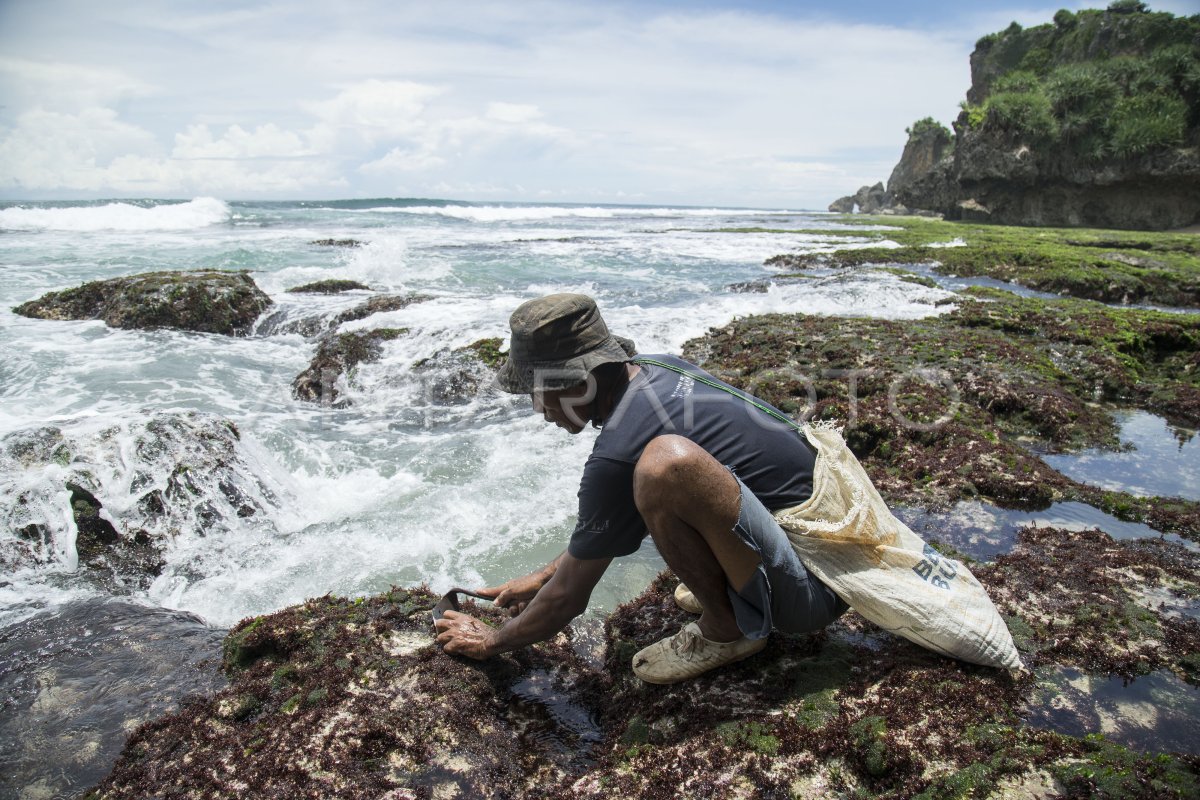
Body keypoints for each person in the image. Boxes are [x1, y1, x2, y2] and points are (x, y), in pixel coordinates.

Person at [433, 293, 847, 683]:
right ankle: (739, 594)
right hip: (837, 548)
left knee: (665, 466)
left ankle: (728, 628)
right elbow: (606, 530)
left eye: (539, 393)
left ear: (580, 382)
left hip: (816, 589)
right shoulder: (660, 368)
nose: (540, 411)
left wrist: (489, 640)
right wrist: (543, 575)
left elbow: (568, 600)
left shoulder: (620, 451)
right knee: (664, 468)